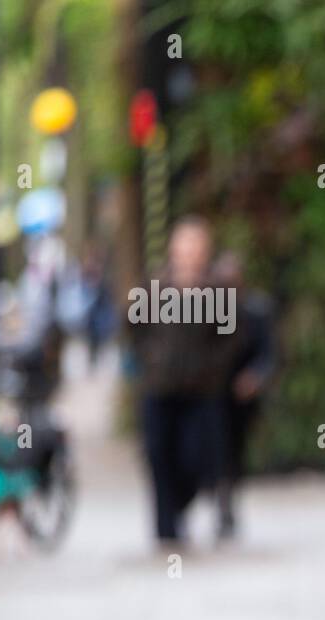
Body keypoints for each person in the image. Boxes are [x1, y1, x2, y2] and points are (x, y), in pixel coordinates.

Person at [129, 215, 236, 548]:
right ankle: (165, 528)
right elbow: (134, 327)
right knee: (159, 455)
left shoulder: (217, 290)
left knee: (196, 456)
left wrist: (212, 368)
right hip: (159, 389)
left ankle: (181, 504)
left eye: (196, 246)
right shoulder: (154, 287)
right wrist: (151, 359)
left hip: (200, 392)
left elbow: (232, 337)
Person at [211, 251, 275, 541]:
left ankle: (226, 500)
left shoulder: (256, 310)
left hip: (239, 396)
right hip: (209, 392)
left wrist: (254, 377)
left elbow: (269, 352)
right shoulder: (205, 309)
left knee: (233, 451)